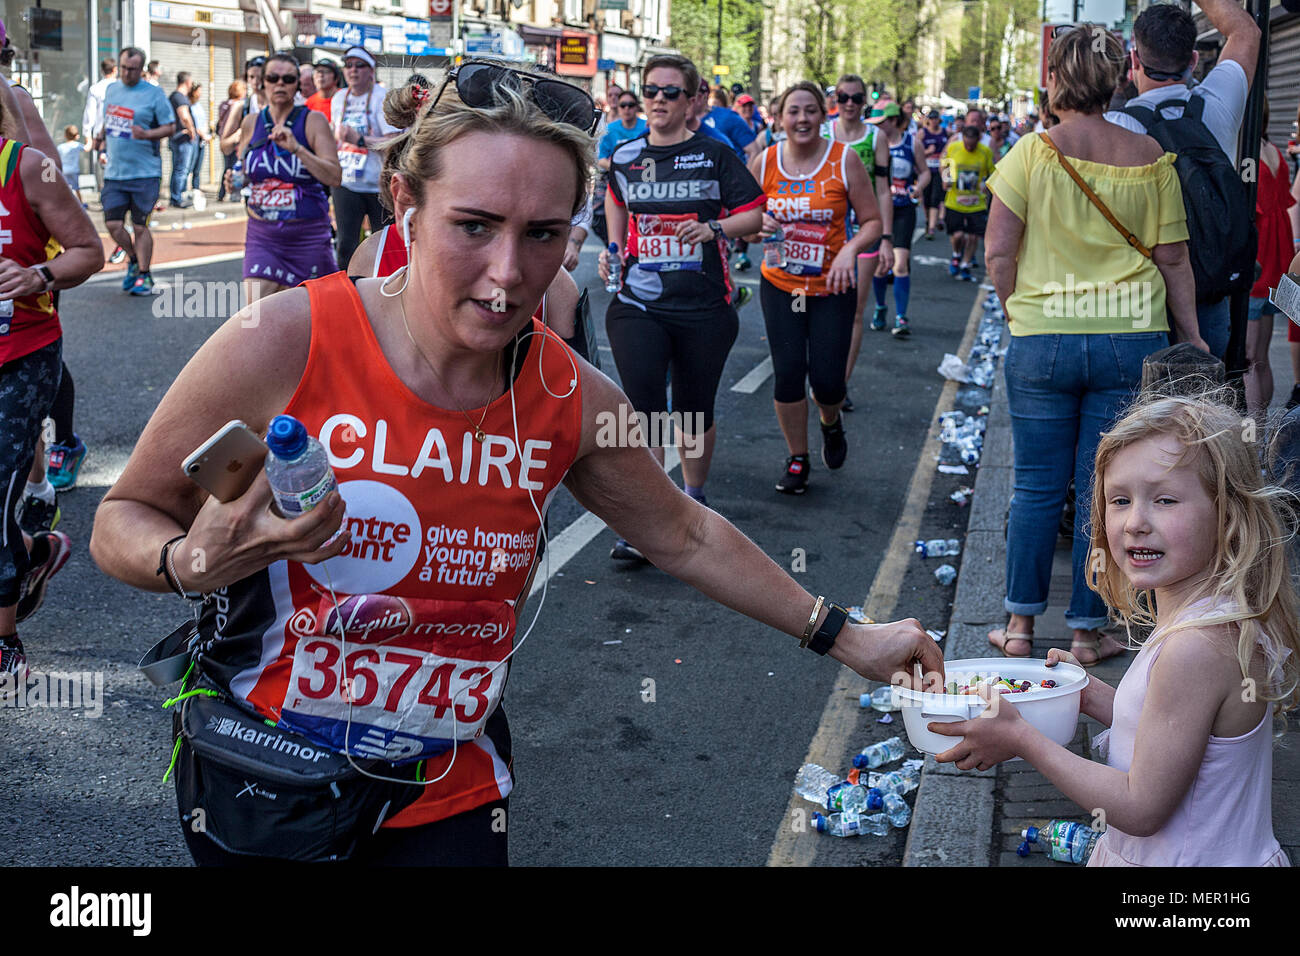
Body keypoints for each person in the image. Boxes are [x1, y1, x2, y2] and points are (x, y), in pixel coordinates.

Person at [88, 59, 942, 865]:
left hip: (446, 789)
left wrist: (848, 635)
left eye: (542, 235)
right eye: (473, 226)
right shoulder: (283, 339)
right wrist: (190, 561)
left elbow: (683, 534)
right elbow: (122, 518)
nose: (507, 274)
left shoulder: (571, 396)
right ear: (404, 206)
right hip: (268, 774)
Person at [935, 394, 1295, 867]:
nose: (1135, 523)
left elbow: (1141, 807)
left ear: (1227, 513)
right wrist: (1085, 694)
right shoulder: (1209, 618)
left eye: (1165, 500)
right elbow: (1167, 731)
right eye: (1119, 500)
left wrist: (1022, 739)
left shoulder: (1197, 648)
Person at [982, 24, 1207, 666]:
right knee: (1100, 486)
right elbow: (1174, 261)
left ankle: (1020, 627)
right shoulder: (1149, 156)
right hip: (1127, 337)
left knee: (1033, 487)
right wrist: (1190, 335)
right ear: (1117, 77)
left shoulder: (1031, 153)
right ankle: (1085, 631)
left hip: (1042, 338)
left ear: (1057, 77)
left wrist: (1018, 310)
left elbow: (999, 251)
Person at [598, 53, 765, 555]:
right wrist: (612, 249)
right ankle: (648, 518)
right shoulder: (627, 155)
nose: (657, 99)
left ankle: (692, 499)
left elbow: (755, 215)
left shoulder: (714, 155)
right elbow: (615, 196)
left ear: (692, 100)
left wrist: (713, 227)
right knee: (644, 409)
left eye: (671, 92)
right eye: (650, 89)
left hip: (704, 307)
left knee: (692, 410)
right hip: (638, 304)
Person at [0, 89, 105, 687]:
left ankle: (5, 643)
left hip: (21, 355)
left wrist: (35, 273)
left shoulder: (25, 165)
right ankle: (34, 553)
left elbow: (88, 251)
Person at [1104, 0, 1260, 359]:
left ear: (1134, 61)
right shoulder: (1219, 103)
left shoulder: (1116, 129)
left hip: (1139, 307)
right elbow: (1245, 30)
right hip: (1208, 302)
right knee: (1202, 412)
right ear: (1193, 60)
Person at [747, 81, 882, 495]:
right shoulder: (765, 161)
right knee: (788, 376)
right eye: (793, 111)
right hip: (780, 284)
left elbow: (873, 222)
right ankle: (798, 458)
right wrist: (757, 228)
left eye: (810, 111)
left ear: (823, 116)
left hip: (831, 286)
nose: (802, 119)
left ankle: (830, 420)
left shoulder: (844, 161)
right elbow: (743, 224)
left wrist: (850, 252)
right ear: (780, 118)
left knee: (827, 382)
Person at [227, 52, 340, 300]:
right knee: (256, 315)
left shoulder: (313, 121)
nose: (280, 84)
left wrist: (298, 150)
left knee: (314, 316)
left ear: (297, 84)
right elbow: (247, 171)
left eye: (288, 79)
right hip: (263, 235)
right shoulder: (251, 123)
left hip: (306, 237)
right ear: (262, 82)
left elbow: (334, 176)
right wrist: (236, 181)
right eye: (273, 77)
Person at [824, 76, 894, 410]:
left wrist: (887, 239)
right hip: (823, 234)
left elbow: (883, 190)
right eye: (843, 97)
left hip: (863, 231)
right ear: (835, 99)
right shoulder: (823, 132)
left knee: (853, 312)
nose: (850, 104)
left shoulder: (876, 137)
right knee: (815, 308)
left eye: (856, 98)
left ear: (866, 101)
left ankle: (840, 386)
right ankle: (820, 375)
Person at [93, 47, 175, 297]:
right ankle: (132, 258)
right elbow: (112, 119)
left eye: (133, 69)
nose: (128, 73)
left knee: (140, 226)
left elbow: (170, 126)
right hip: (115, 172)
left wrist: (147, 134)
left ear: (142, 69)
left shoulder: (154, 93)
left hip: (145, 172)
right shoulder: (112, 89)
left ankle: (144, 274)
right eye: (124, 68)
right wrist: (102, 135)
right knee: (113, 224)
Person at [1245, 104, 1293, 422]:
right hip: (1279, 263)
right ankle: (1260, 439)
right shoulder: (1273, 151)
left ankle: (1254, 439)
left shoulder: (1249, 158)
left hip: (1260, 263)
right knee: (1261, 358)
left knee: (1249, 358)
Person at [330, 46, 396, 271]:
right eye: (348, 66)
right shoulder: (339, 98)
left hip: (378, 186)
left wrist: (359, 139)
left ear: (371, 71)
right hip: (347, 182)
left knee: (383, 245)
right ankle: (347, 293)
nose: (353, 71)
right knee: (345, 245)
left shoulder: (382, 97)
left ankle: (382, 292)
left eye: (360, 65)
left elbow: (393, 142)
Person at [867, 101, 929, 338]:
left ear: (893, 121)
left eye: (880, 123)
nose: (876, 128)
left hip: (903, 210)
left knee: (899, 263)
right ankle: (880, 307)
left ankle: (901, 316)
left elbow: (924, 172)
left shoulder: (912, 143)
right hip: (878, 211)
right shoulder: (872, 143)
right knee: (880, 266)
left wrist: (918, 187)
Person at [940, 120, 995, 282]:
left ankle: (965, 265)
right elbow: (945, 164)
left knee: (972, 237)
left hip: (976, 202)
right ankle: (956, 255)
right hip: (955, 200)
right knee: (957, 236)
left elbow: (993, 172)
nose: (969, 148)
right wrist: (946, 178)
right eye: (966, 144)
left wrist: (987, 184)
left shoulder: (985, 152)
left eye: (972, 145)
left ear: (978, 140)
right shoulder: (954, 147)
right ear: (962, 139)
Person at [593, 89, 647, 245]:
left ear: (637, 107)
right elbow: (600, 159)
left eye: (631, 105)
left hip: (643, 180)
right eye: (623, 105)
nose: (627, 109)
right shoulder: (611, 130)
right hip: (616, 180)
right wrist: (620, 168)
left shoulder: (646, 127)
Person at [219, 57, 266, 156]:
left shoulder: (279, 104)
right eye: (251, 77)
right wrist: (240, 134)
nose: (255, 81)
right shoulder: (242, 107)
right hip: (248, 164)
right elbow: (224, 147)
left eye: (260, 77)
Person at [82, 57, 116, 193]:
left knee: (102, 163)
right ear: (115, 70)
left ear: (102, 71)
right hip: (117, 132)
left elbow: (89, 113)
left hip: (100, 133)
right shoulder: (120, 88)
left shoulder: (95, 89)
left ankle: (104, 192)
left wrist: (87, 135)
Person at [168, 72, 197, 208]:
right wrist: (192, 131)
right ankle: (177, 198)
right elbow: (184, 116)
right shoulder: (180, 97)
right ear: (187, 82)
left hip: (176, 137)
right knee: (182, 169)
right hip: (182, 139)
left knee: (178, 168)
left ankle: (176, 197)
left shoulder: (174, 96)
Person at [215, 80, 245, 203]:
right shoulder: (239, 105)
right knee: (235, 167)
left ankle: (221, 193)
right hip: (235, 140)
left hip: (224, 139)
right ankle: (234, 194)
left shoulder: (223, 104)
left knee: (227, 167)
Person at [920, 110, 947, 238]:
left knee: (936, 197)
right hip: (925, 170)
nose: (934, 121)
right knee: (926, 198)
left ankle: (931, 228)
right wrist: (927, 152)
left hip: (941, 170)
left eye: (936, 118)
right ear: (928, 120)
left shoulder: (945, 132)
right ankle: (928, 219)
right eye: (931, 118)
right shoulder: (922, 133)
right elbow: (916, 152)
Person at [187, 83, 211, 197]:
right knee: (190, 166)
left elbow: (203, 120)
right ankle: (185, 189)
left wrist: (206, 133)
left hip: (202, 140)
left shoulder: (199, 105)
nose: (200, 94)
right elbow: (193, 124)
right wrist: (202, 134)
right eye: (199, 91)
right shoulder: (189, 105)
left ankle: (196, 188)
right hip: (194, 139)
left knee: (198, 167)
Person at [57, 125, 83, 204]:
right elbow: (87, 148)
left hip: (64, 171)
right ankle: (81, 204)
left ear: (65, 136)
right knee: (76, 188)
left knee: (65, 188)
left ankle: (63, 203)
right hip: (74, 170)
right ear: (76, 136)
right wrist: (89, 138)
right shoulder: (78, 145)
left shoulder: (60, 147)